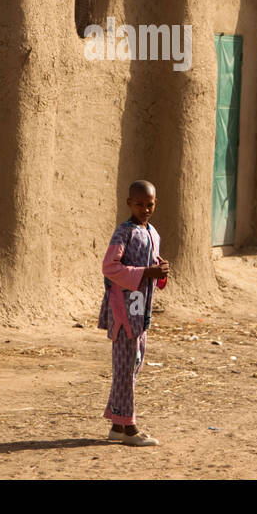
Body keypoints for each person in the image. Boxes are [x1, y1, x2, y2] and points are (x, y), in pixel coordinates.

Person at [98, 179, 169, 446]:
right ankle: (129, 428)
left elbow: (152, 272)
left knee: (133, 365)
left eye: (149, 204)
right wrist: (145, 273)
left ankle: (118, 424)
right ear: (129, 203)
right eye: (139, 204)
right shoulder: (123, 233)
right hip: (124, 310)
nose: (145, 209)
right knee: (125, 368)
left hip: (142, 311)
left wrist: (160, 272)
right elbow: (110, 267)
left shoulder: (153, 233)